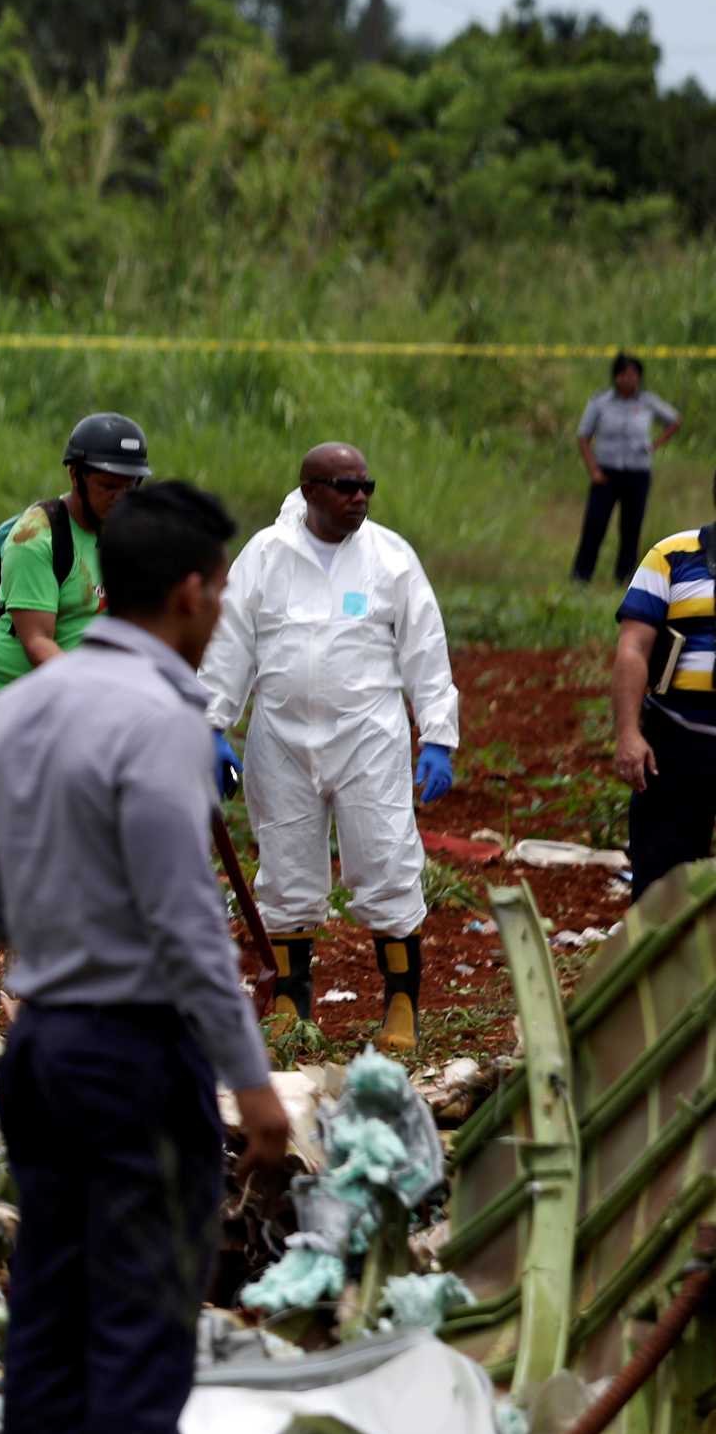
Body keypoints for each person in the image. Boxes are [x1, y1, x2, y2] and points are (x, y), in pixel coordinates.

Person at [0, 480, 291, 1434]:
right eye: (223, 588)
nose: (224, 606)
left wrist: (42, 942)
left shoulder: (19, 707)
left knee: (47, 1319)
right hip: (136, 1055)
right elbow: (190, 924)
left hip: (37, 1046)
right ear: (189, 594)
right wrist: (252, 1083)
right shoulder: (164, 722)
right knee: (140, 1328)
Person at [201, 444, 460, 1051]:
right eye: (346, 486)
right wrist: (211, 725)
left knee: (386, 862)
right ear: (311, 490)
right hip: (281, 738)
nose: (360, 497)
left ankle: (400, 1006)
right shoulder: (265, 557)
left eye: (366, 484)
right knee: (287, 869)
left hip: (368, 737)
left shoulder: (390, 558)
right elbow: (229, 644)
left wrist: (438, 736)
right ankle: (291, 1004)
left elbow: (425, 647)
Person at [0, 410, 151, 1010]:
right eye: (107, 487)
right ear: (75, 475)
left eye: (130, 487)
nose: (119, 499)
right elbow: (38, 638)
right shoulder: (35, 537)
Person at [611, 473, 716, 901]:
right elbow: (633, 648)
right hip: (675, 741)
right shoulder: (671, 556)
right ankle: (659, 968)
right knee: (661, 887)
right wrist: (629, 734)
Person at [573, 353, 682, 586]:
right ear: (616, 376)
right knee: (595, 525)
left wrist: (654, 445)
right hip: (606, 473)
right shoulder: (600, 402)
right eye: (623, 374)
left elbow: (674, 420)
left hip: (637, 473)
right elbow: (583, 436)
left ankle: (624, 578)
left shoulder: (647, 402)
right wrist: (593, 470)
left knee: (631, 527)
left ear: (639, 377)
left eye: (633, 374)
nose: (628, 379)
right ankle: (581, 577)